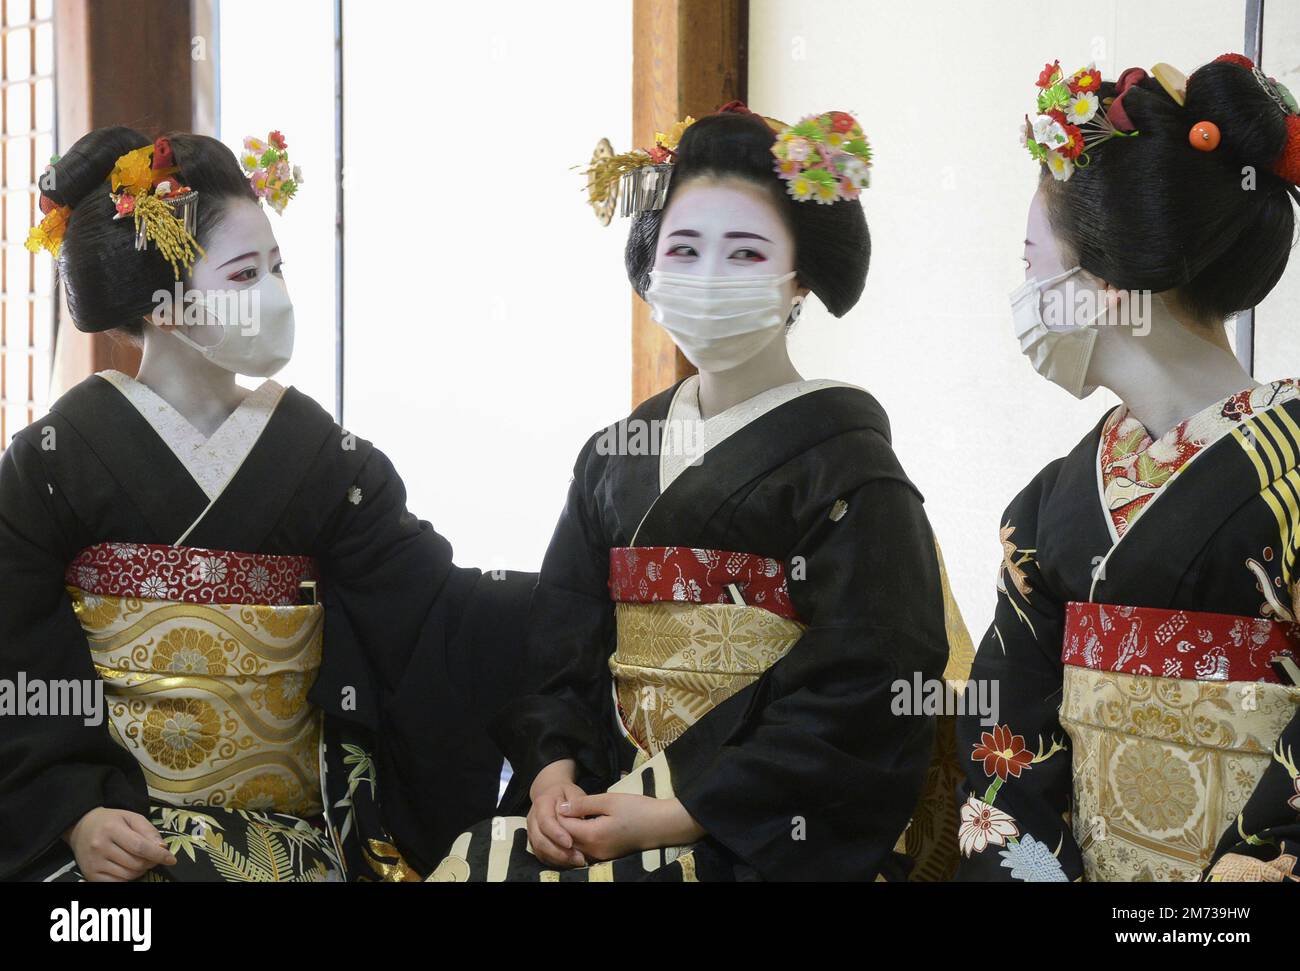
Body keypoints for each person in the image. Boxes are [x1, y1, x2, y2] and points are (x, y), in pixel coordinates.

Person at [431, 103, 972, 882]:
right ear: (652, 266)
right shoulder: (613, 458)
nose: (708, 277)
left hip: (752, 830)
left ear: (801, 279)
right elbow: (561, 647)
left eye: (746, 253)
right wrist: (553, 773)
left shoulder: (853, 469)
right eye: (683, 249)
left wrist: (681, 809)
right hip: (605, 800)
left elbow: (870, 678)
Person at [1, 126, 531, 881]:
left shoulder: (322, 459)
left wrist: (579, 597)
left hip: (290, 850)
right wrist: (72, 807)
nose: (275, 296)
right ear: (163, 302)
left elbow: (436, 614)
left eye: (278, 268)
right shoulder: (50, 463)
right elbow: (14, 654)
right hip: (113, 842)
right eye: (245, 274)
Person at [957, 55, 1300, 882]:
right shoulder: (1046, 511)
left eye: (1033, 260)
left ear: (1104, 283)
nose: (1026, 289)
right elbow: (1004, 757)